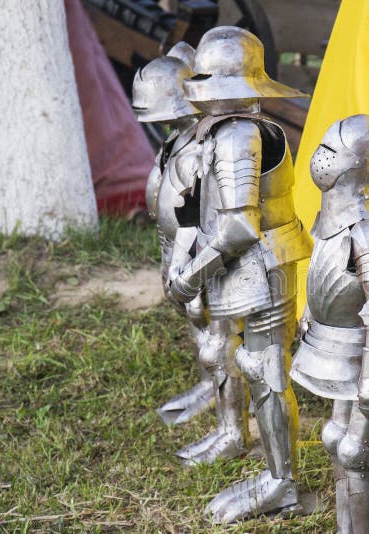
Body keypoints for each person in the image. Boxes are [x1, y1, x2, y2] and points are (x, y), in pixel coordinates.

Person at [167, 26, 313, 523]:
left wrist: (189, 275)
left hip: (261, 264)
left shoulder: (238, 135)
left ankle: (281, 483)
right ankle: (264, 464)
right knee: (254, 365)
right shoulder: (225, 129)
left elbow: (239, 226)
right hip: (247, 266)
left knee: (266, 371)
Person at [291, 114, 369, 533]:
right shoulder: (333, 216)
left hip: (368, 356)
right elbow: (322, 277)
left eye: (333, 151)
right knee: (335, 437)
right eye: (323, 147)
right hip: (335, 346)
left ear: (358, 164)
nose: (321, 157)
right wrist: (309, 318)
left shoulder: (368, 229)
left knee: (357, 453)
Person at [133, 46, 250, 464]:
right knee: (197, 326)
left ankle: (233, 430)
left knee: (220, 342)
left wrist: (193, 268)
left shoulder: (212, 144)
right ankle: (209, 388)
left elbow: (216, 216)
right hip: (178, 249)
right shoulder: (176, 141)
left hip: (210, 256)